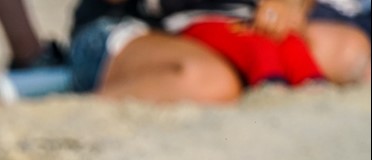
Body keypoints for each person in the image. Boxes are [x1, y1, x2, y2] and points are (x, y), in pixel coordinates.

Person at [68, 0, 370, 103]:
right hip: (128, 26)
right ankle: (85, 105)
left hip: (230, 23)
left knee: (349, 52)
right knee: (210, 82)